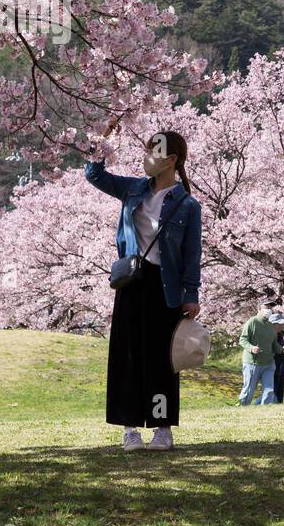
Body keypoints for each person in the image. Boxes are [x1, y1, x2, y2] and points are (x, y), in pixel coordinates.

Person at [86, 126, 202, 453]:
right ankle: (130, 429)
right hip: (131, 282)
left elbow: (192, 254)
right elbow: (94, 175)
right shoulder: (133, 190)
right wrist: (101, 141)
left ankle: (162, 429)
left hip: (164, 287)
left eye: (155, 152)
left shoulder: (187, 205)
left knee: (160, 360)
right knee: (127, 356)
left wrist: (191, 295)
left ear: (172, 160)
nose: (147, 158)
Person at [238, 299, 281, 406]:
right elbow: (243, 340)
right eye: (266, 308)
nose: (269, 310)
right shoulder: (252, 322)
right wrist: (251, 348)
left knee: (269, 389)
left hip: (269, 363)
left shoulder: (271, 325)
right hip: (253, 362)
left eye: (270, 308)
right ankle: (243, 407)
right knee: (249, 390)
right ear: (259, 309)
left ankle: (265, 410)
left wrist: (281, 349)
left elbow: (274, 343)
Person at [273, 317, 284, 404]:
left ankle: (279, 403)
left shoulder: (281, 336)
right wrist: (281, 349)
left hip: (282, 365)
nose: (282, 326)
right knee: (273, 388)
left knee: (280, 388)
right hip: (273, 365)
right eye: (280, 324)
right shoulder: (271, 335)